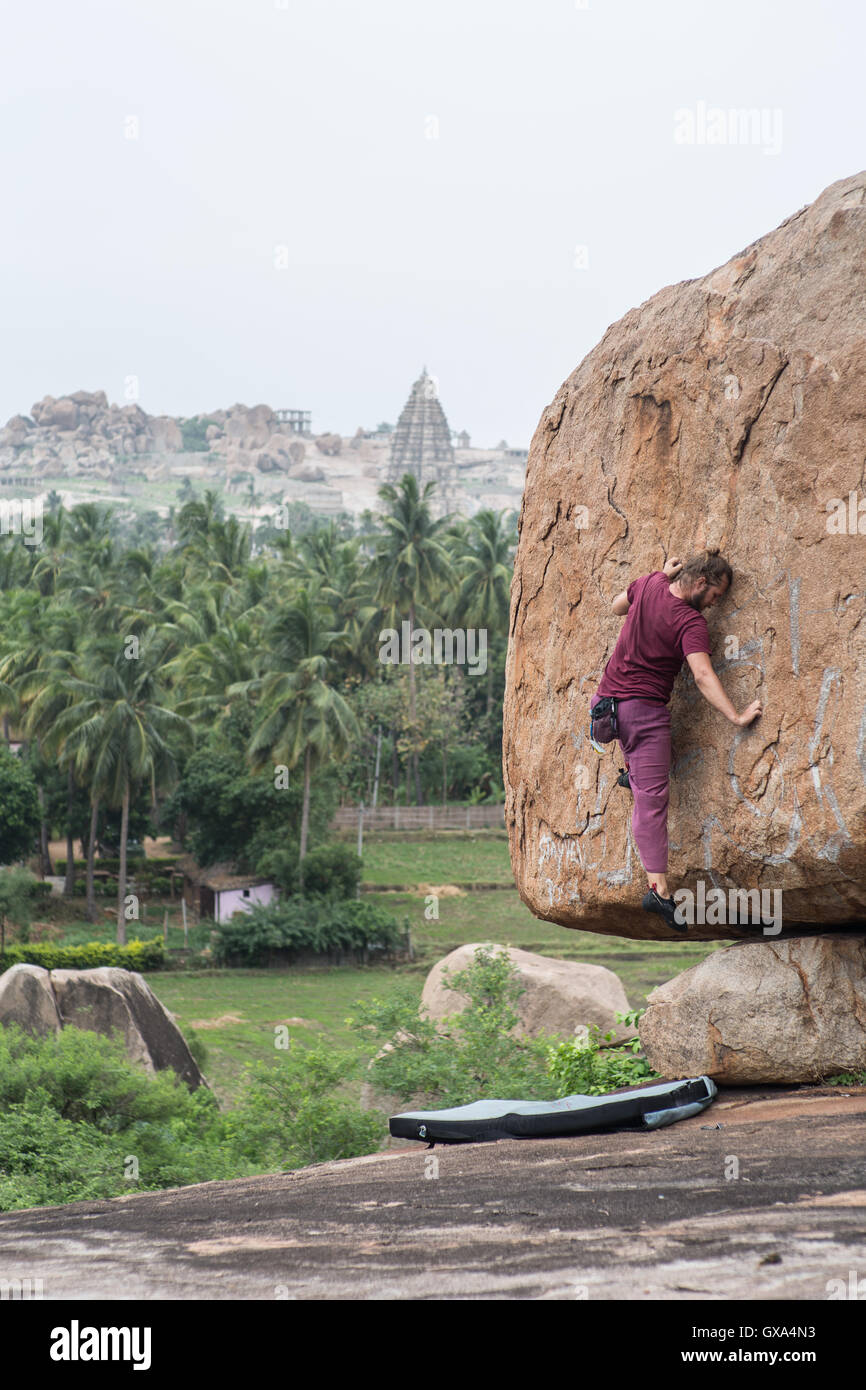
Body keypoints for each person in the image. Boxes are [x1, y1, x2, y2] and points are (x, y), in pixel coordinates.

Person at [589, 551, 762, 931]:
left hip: (603, 711)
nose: (716, 602)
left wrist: (659, 574)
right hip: (641, 717)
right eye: (717, 594)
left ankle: (632, 773)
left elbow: (618, 605)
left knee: (645, 756)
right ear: (701, 583)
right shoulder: (690, 622)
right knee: (652, 803)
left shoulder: (650, 584)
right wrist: (735, 715)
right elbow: (702, 675)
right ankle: (659, 892)